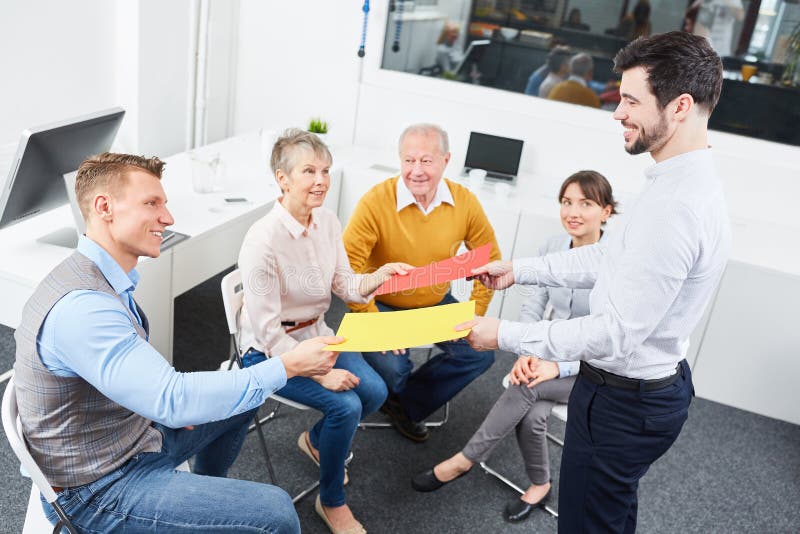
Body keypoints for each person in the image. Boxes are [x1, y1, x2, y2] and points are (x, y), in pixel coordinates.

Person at [459, 31, 730, 533]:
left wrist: (503, 334)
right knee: (609, 513)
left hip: (625, 402)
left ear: (680, 106)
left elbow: (613, 332)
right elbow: (610, 256)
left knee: (587, 524)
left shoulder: (676, 208)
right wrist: (521, 269)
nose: (617, 112)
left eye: (630, 100)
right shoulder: (671, 182)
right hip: (634, 390)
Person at [13, 152, 344, 533]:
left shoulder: (97, 277)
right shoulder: (83, 309)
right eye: (152, 204)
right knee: (277, 513)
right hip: (97, 489)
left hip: (130, 440)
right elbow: (172, 399)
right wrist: (288, 365)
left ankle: (208, 504)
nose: (168, 218)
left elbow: (150, 391)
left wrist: (169, 412)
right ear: (104, 208)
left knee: (238, 401)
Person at [411, 171, 617, 524]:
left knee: (525, 387)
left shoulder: (615, 261)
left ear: (606, 212)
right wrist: (527, 351)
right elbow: (534, 306)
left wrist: (557, 367)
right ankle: (541, 484)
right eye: (567, 202)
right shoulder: (552, 248)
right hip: (549, 353)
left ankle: (464, 460)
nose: (573, 211)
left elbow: (606, 336)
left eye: (586, 203)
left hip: (594, 369)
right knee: (533, 415)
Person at [237, 129, 410, 534]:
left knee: (376, 391)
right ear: (282, 178)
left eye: (326, 171)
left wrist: (378, 277)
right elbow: (266, 333)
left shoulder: (328, 222)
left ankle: (316, 440)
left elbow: (345, 286)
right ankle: (331, 502)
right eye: (309, 171)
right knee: (346, 406)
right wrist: (319, 372)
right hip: (269, 351)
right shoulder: (262, 241)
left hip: (318, 332)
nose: (321, 181)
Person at [342, 123, 501, 443]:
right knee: (394, 369)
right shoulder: (376, 200)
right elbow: (346, 270)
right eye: (408, 160)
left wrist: (476, 313)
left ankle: (404, 403)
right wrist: (373, 320)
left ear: (446, 160)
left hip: (434, 302)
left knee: (481, 352)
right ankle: (399, 394)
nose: (416, 171)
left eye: (426, 161)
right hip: (381, 303)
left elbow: (490, 261)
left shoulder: (464, 202)